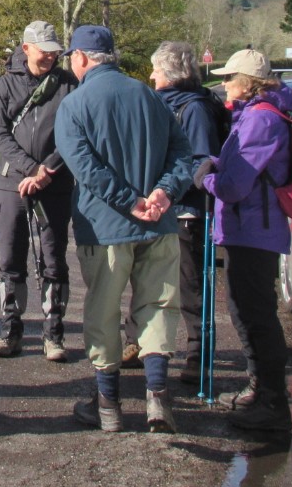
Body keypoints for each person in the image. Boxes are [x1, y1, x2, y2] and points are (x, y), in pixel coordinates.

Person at [54, 24, 195, 434]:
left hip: (106, 228)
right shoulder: (151, 96)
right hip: (159, 223)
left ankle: (109, 405)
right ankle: (156, 399)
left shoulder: (75, 104)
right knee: (157, 309)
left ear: (80, 58)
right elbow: (182, 152)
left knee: (102, 310)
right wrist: (164, 193)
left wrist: (130, 200)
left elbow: (85, 168)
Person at [198, 48, 292, 433]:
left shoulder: (259, 120)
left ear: (249, 82)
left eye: (228, 77)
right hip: (250, 228)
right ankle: (260, 390)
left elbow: (235, 186)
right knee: (247, 313)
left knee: (256, 316)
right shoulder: (256, 116)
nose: (223, 84)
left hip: (254, 230)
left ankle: (272, 402)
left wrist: (205, 178)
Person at [0, 20, 76, 361]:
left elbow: (73, 133)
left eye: (55, 52)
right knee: (11, 258)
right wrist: (30, 169)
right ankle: (11, 331)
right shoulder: (6, 85)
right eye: (45, 51)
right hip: (14, 184)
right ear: (26, 49)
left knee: (53, 259)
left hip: (55, 184)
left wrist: (47, 171)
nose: (51, 57)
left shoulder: (69, 84)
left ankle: (54, 334)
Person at [147, 41, 224, 387]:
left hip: (185, 211)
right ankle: (141, 345)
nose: (151, 76)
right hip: (162, 207)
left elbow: (201, 162)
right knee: (149, 281)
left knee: (189, 286)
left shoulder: (193, 109)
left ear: (171, 74)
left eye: (157, 70)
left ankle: (197, 351)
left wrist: (170, 191)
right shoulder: (161, 104)